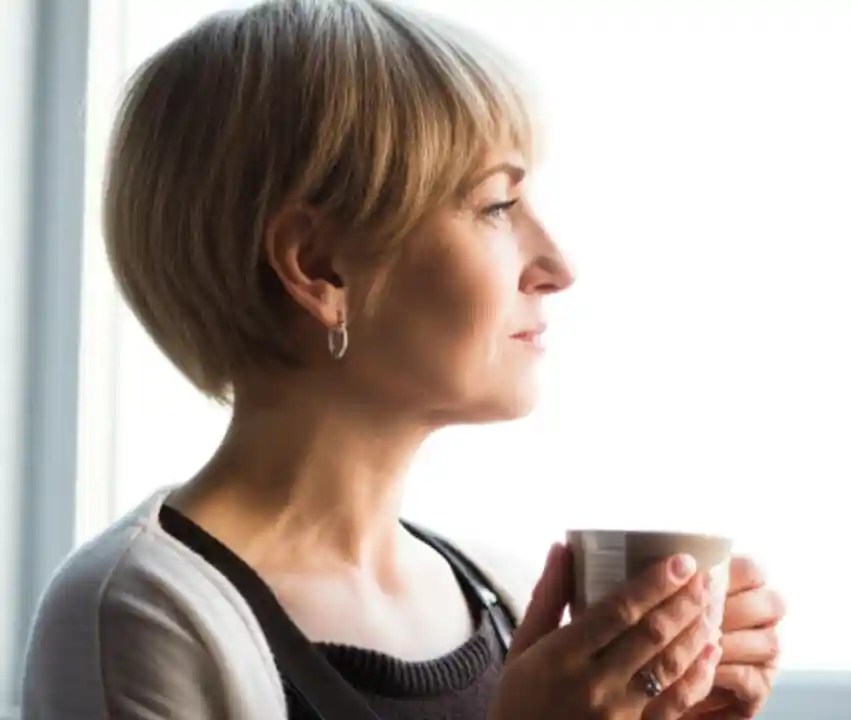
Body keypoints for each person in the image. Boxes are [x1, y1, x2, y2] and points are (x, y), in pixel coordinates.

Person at [20, 1, 785, 718]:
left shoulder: (504, 594)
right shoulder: (139, 614)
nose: (559, 265)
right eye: (497, 205)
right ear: (319, 267)